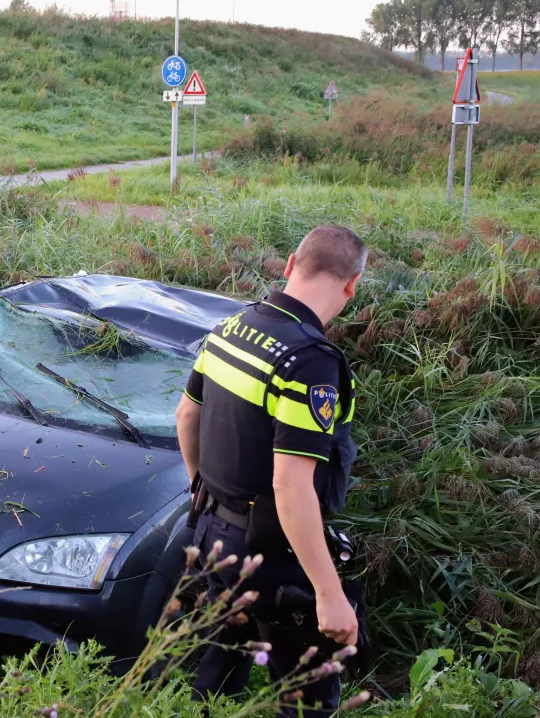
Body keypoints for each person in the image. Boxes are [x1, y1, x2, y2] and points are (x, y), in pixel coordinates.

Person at [175, 225, 365, 717]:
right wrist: (329, 593)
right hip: (274, 552)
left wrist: (203, 491)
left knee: (216, 674)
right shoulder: (310, 362)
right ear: (351, 286)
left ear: (288, 264)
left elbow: (186, 416)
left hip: (213, 532)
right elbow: (291, 485)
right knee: (307, 696)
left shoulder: (231, 328)